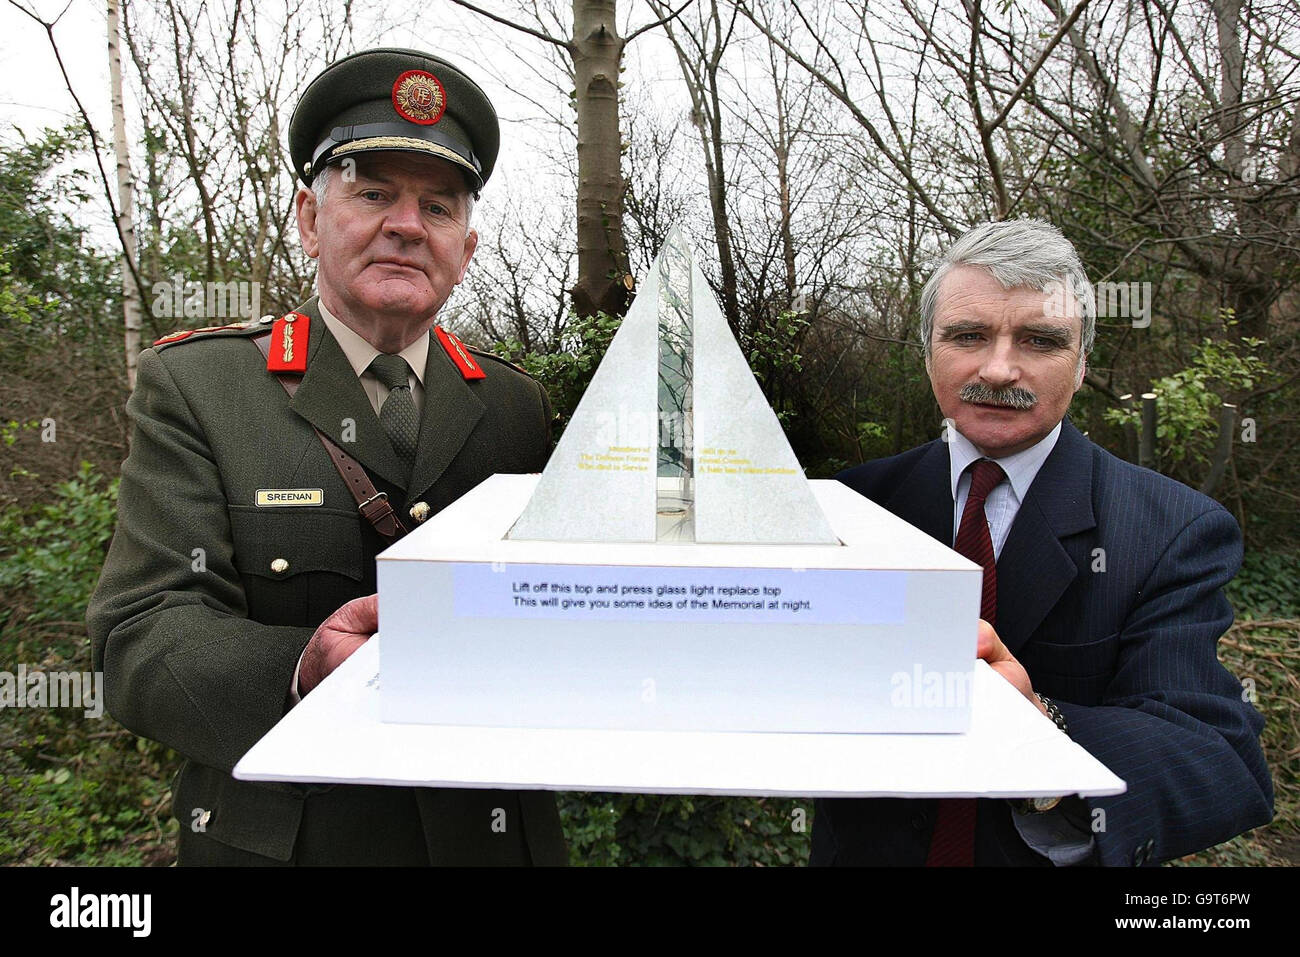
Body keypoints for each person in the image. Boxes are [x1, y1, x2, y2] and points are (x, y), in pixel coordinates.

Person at [87, 48, 567, 866]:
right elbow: (137, 636)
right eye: (373, 193)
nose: (407, 225)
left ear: (466, 248)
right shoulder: (202, 386)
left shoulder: (517, 405)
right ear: (310, 219)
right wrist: (302, 666)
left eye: (438, 206)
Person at [811, 219, 1273, 866]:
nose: (999, 369)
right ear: (927, 352)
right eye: (967, 336)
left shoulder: (1173, 530)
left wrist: (1039, 723)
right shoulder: (850, 505)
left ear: (1081, 365)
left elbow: (1219, 757)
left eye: (1040, 340)